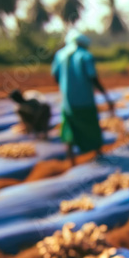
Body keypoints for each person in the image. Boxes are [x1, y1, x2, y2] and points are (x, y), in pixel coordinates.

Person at [52, 30, 114, 165]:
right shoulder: (86, 56)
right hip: (85, 100)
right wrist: (107, 97)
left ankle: (70, 161)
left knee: (69, 129)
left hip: (67, 102)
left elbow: (55, 76)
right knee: (91, 129)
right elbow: (93, 78)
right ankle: (99, 158)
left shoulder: (60, 55)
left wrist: (65, 86)